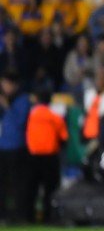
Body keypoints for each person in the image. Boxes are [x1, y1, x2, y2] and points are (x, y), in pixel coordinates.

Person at [25, 89, 67, 223]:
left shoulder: (31, 115)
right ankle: (49, 218)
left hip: (33, 156)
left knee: (31, 188)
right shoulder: (55, 116)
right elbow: (64, 138)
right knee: (50, 189)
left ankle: (29, 217)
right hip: (50, 157)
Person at [0, 73, 32, 224]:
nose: (4, 87)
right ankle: (3, 215)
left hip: (17, 147)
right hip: (3, 147)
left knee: (18, 184)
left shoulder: (22, 100)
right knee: (2, 184)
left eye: (6, 84)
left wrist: (7, 106)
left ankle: (20, 215)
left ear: (14, 85)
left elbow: (20, 122)